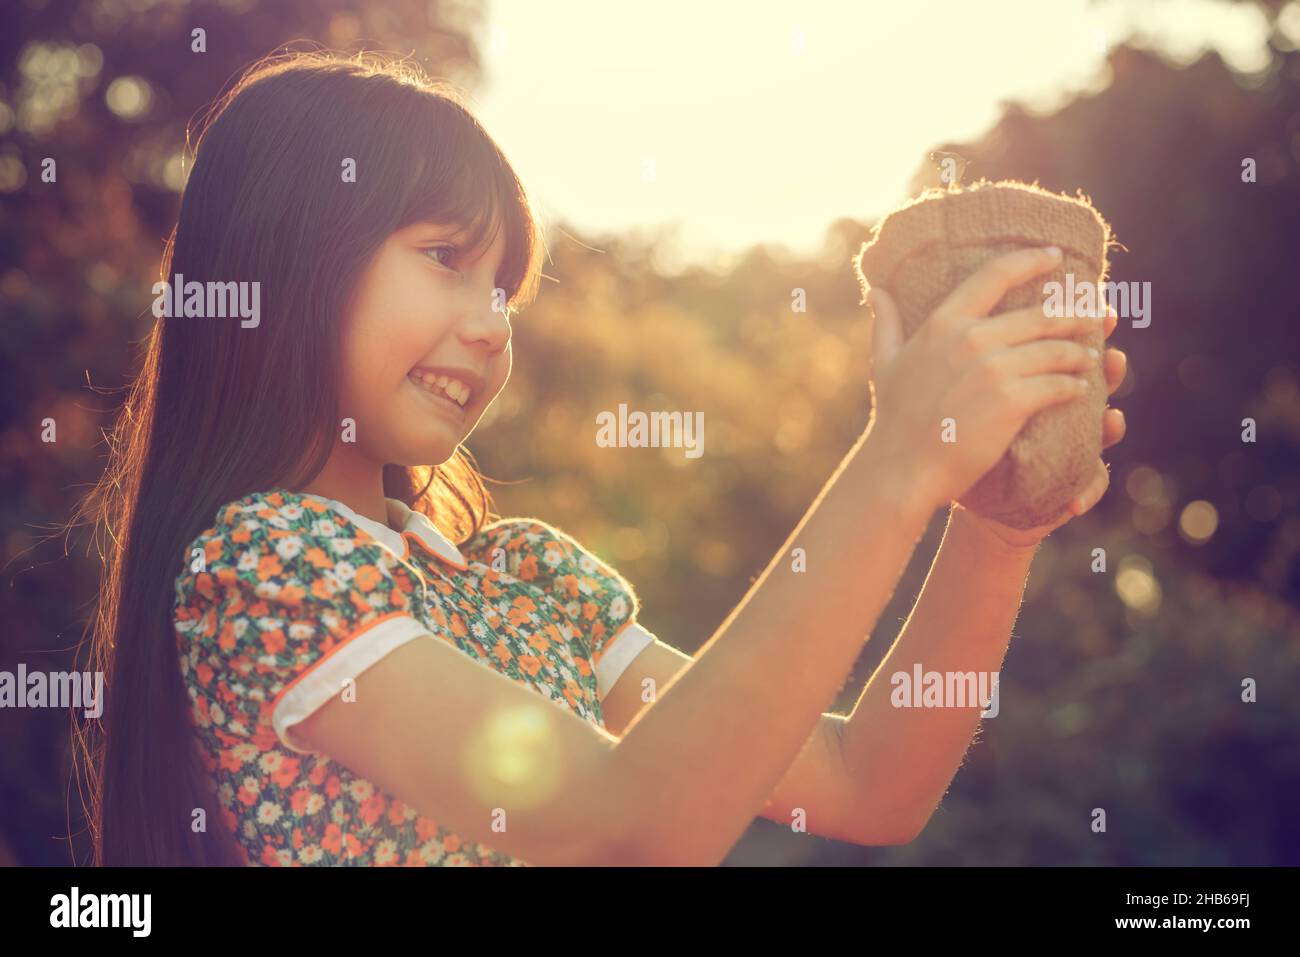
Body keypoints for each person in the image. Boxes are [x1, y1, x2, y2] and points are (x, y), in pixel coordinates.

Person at [74, 51, 1128, 866]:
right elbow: (631, 831)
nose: (491, 325)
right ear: (288, 250)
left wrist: (991, 528)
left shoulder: (530, 587)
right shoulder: (268, 572)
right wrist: (896, 461)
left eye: (506, 290)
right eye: (445, 258)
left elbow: (866, 787)